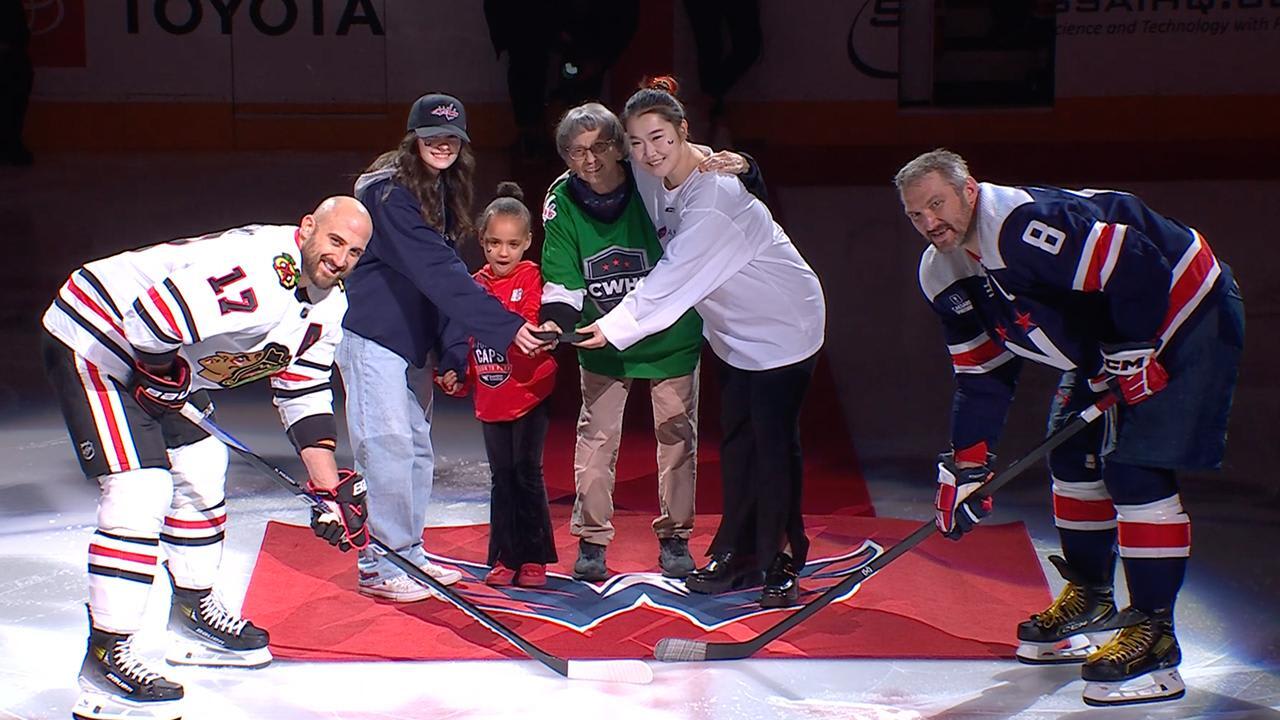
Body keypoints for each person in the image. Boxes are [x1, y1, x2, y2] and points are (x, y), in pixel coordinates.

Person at [895, 148, 1244, 707]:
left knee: (1132, 469)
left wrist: (1132, 352)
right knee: (1072, 461)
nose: (929, 222)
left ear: (969, 190)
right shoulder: (942, 272)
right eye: (916, 214)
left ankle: (1155, 637)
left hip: (1183, 312)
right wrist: (966, 465)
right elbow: (982, 377)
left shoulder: (1022, 225)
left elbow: (1139, 262)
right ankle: (1092, 598)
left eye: (937, 204)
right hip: (1112, 338)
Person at [41, 197, 375, 720]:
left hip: (160, 360)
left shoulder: (329, 304)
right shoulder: (261, 272)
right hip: (100, 339)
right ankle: (104, 658)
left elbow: (303, 391)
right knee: (140, 490)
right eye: (335, 241)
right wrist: (158, 372)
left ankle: (192, 612)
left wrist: (328, 488)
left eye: (354, 251)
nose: (342, 257)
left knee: (201, 467)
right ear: (308, 227)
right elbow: (153, 318)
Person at [574, 78, 826, 608]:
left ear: (683, 130)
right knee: (737, 443)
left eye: (661, 138)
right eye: (638, 142)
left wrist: (614, 327)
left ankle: (780, 558)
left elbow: (674, 275)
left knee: (772, 445)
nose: (649, 152)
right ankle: (737, 551)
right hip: (734, 331)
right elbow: (607, 170)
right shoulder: (656, 174)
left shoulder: (713, 200)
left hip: (783, 325)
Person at [539, 101, 768, 581]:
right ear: (565, 157)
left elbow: (698, 166)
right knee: (596, 440)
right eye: (577, 151)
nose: (591, 159)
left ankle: (676, 536)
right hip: (601, 338)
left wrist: (747, 165)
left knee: (677, 438)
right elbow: (561, 275)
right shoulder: (560, 201)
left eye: (601, 145)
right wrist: (555, 322)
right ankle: (591, 539)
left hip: (670, 335)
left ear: (619, 146)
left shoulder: (650, 179)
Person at [341, 92, 549, 603]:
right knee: (386, 449)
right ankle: (379, 562)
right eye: (431, 136)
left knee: (413, 451)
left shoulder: (438, 190)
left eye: (451, 137)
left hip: (411, 346)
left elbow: (439, 280)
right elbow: (438, 273)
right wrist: (503, 327)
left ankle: (407, 553)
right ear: (413, 138)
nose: (442, 144)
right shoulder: (390, 194)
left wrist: (452, 349)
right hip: (374, 340)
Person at [437, 182, 558, 587]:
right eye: (493, 243)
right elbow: (462, 337)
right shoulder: (474, 285)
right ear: (481, 241)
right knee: (500, 477)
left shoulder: (533, 278)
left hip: (528, 394)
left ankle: (534, 558)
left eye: (510, 243)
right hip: (491, 397)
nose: (501, 253)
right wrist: (459, 372)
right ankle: (505, 557)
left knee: (527, 473)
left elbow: (523, 323)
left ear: (526, 242)